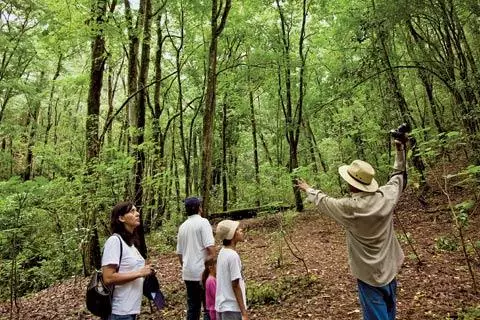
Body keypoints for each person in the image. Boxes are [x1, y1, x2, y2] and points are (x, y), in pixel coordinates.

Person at [296, 140, 407, 320]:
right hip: (389, 269)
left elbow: (324, 201)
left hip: (368, 275)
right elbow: (398, 176)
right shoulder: (386, 196)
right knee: (389, 312)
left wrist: (308, 189)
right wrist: (400, 151)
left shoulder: (349, 208)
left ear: (352, 184)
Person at [101, 201, 153, 320]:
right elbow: (108, 278)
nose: (137, 214)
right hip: (119, 311)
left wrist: (147, 271)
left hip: (130, 309)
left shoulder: (130, 243)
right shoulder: (114, 241)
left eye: (136, 210)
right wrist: (140, 272)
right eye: (132, 211)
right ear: (121, 218)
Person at [176, 197, 216, 320]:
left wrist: (186, 267)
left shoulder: (182, 226)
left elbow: (179, 253)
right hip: (202, 272)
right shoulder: (203, 222)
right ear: (199, 208)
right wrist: (213, 270)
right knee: (208, 306)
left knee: (193, 307)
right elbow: (211, 249)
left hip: (188, 272)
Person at [215, 220, 248, 320]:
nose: (241, 230)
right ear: (232, 235)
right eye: (237, 229)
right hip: (232, 308)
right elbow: (235, 284)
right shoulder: (233, 256)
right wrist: (244, 312)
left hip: (222, 306)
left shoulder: (222, 252)